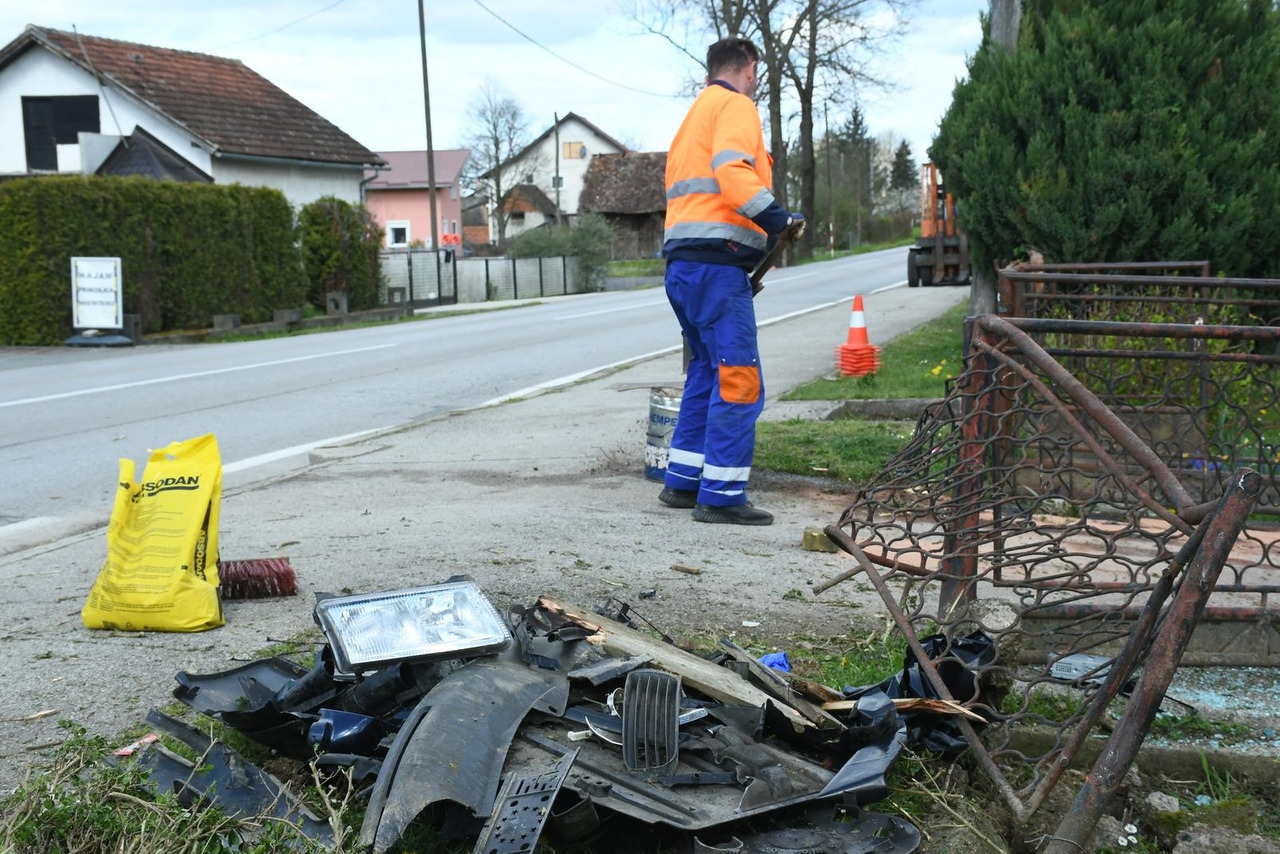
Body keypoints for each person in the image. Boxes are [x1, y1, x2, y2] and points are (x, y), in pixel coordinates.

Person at [658, 36, 803, 526]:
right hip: (718, 269)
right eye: (755, 77)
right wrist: (778, 221)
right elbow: (732, 170)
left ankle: (683, 481)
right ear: (749, 69)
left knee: (704, 371)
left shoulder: (695, 115)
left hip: (683, 267)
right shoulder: (737, 106)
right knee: (738, 379)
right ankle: (721, 495)